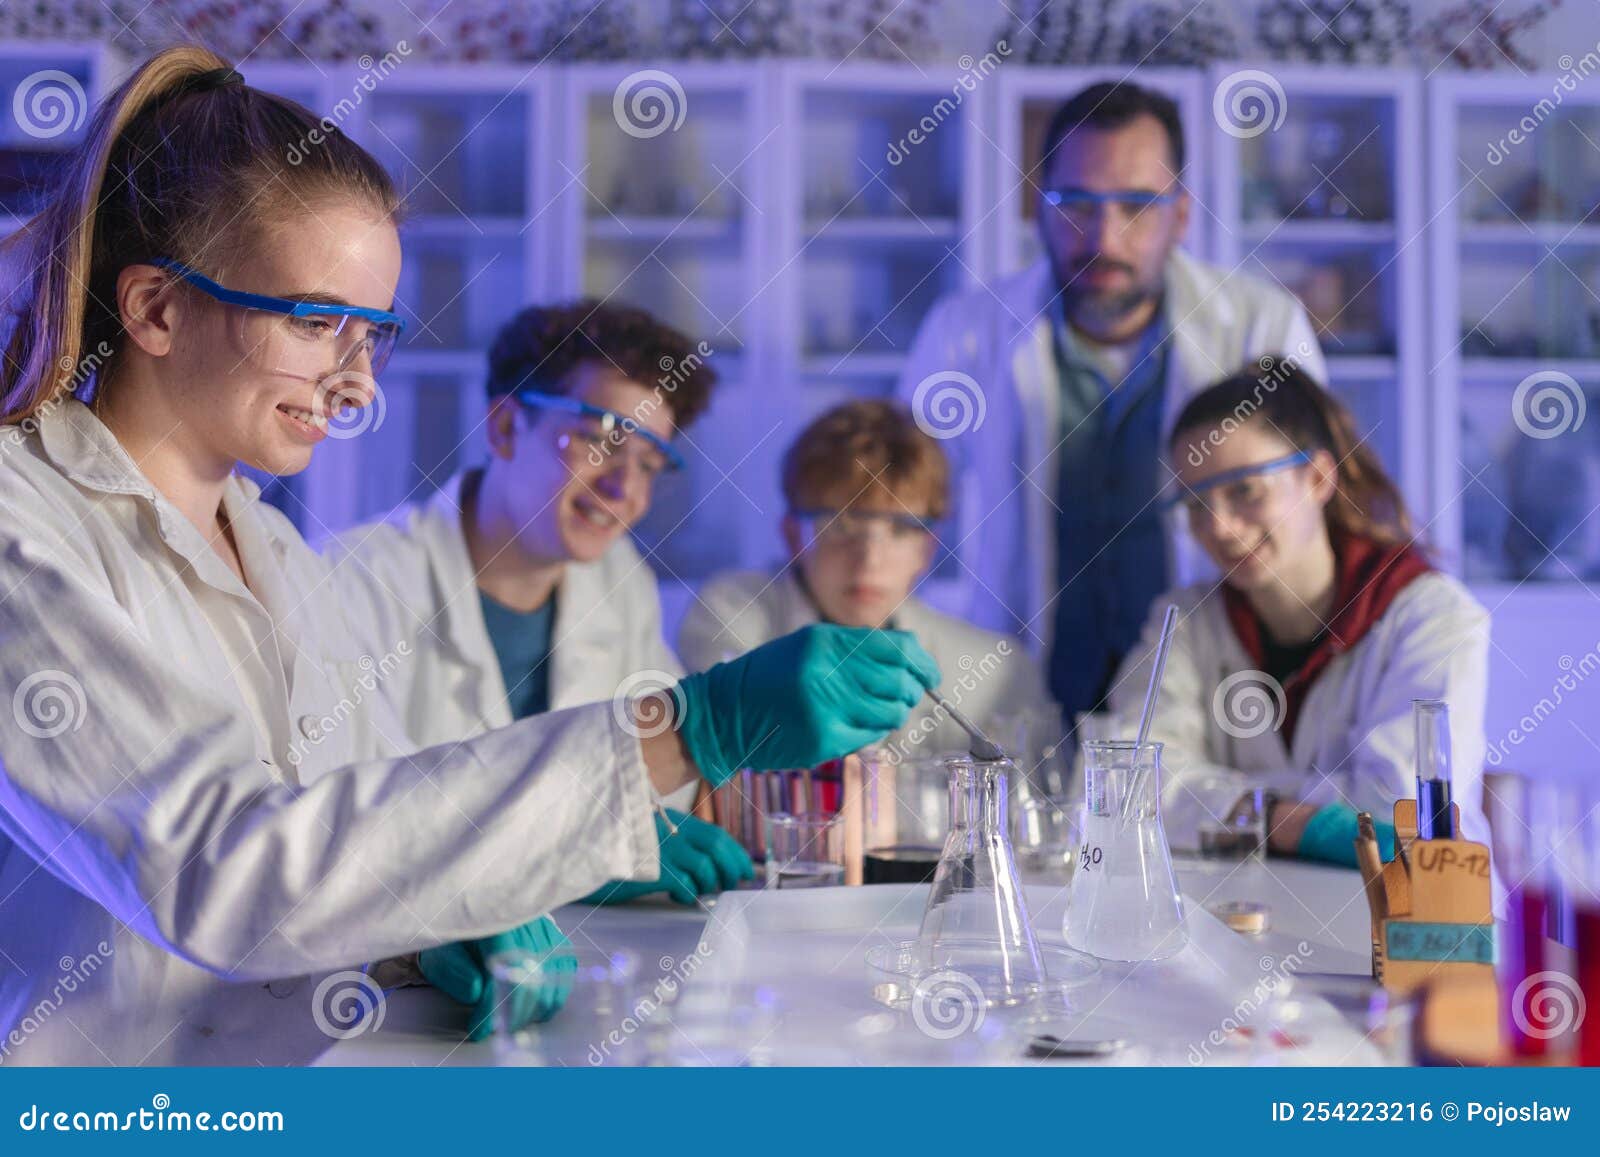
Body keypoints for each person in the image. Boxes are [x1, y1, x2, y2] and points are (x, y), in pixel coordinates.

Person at [0, 46, 938, 1066]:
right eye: (319, 323)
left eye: (375, 336)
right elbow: (227, 871)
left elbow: (360, 828)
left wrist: (437, 917)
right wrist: (685, 731)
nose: (355, 386)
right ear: (155, 309)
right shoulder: (23, 530)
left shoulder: (267, 544)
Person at [897, 80, 1327, 726]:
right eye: (1076, 204)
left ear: (1181, 215)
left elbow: (1312, 524)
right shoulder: (965, 333)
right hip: (1018, 690)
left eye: (1137, 205)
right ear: (1037, 207)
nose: (1105, 237)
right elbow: (900, 512)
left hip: (1211, 696)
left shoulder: (1259, 328)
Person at [323, 300, 754, 908]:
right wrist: (573, 849)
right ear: (503, 427)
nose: (623, 490)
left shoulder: (618, 580)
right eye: (599, 440)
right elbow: (338, 835)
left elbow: (663, 793)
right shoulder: (354, 582)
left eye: (649, 463)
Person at [1108, 359, 1490, 863]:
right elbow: (1124, 784)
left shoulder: (1432, 616)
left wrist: (1233, 805)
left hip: (1417, 928)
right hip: (1249, 919)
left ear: (1317, 479)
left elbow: (1404, 809)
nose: (1218, 527)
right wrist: (1286, 819)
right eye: (1196, 504)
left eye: (1245, 490)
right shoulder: (1184, 620)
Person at [679, 400, 1050, 754]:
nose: (869, 559)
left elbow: (1043, 807)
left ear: (927, 549)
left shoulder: (995, 672)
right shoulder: (730, 617)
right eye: (842, 524)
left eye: (901, 529)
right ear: (793, 536)